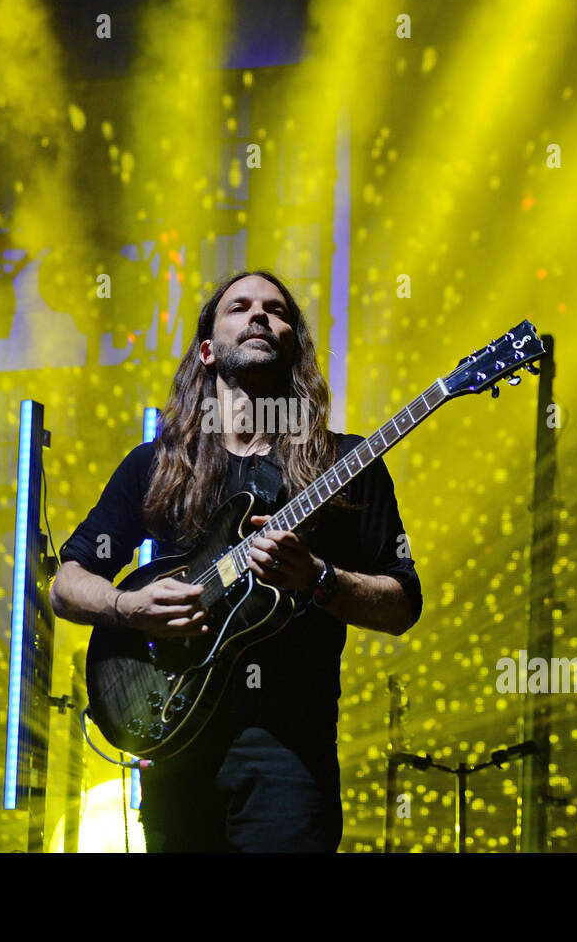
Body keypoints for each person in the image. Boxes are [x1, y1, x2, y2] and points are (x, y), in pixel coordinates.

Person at [51, 270, 421, 852]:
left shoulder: (349, 465)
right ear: (206, 350)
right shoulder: (155, 464)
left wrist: (319, 580)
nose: (259, 316)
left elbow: (403, 604)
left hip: (289, 756)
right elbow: (66, 583)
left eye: (276, 311)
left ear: (293, 346)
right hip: (174, 740)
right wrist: (130, 606)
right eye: (240, 307)